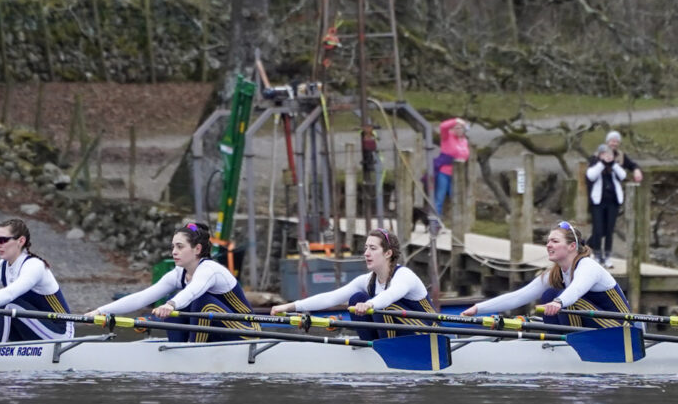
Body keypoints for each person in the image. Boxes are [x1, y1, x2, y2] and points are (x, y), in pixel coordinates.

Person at [87, 222, 259, 342]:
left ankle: (192, 352)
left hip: (245, 331)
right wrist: (100, 311)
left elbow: (192, 291)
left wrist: (170, 304)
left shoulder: (210, 270)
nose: (174, 252)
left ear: (197, 249)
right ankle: (177, 350)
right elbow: (142, 298)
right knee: (179, 306)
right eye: (173, 247)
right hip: (217, 331)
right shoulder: (178, 274)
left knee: (199, 301)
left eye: (180, 247)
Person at [271, 228, 437, 339]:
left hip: (430, 333)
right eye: (365, 248)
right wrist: (289, 307)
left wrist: (370, 304)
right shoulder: (367, 280)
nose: (366, 253)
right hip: (402, 334)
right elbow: (331, 298)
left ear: (388, 253)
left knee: (380, 305)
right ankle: (370, 349)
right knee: (356, 297)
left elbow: (389, 296)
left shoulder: (404, 276)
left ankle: (386, 351)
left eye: (372, 248)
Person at [460, 221, 632, 328]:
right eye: (548, 241)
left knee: (559, 297)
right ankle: (555, 345)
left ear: (572, 246)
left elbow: (576, 290)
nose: (548, 245)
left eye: (555, 241)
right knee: (549, 293)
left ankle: (567, 347)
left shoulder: (588, 266)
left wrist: (559, 302)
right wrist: (478, 309)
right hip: (595, 326)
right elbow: (519, 296)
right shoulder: (554, 273)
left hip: (620, 328)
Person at [585, 141, 627, 267]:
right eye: (604, 154)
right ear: (599, 155)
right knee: (598, 229)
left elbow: (623, 175)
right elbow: (591, 176)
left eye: (609, 154)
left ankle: (608, 256)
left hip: (612, 202)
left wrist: (613, 164)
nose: (607, 156)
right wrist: (602, 163)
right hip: (598, 202)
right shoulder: (595, 165)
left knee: (609, 230)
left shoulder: (614, 167)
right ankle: (597, 255)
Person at [433, 117, 471, 219]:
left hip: (457, 174)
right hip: (444, 173)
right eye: (456, 128)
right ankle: (436, 222)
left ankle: (458, 222)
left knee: (456, 198)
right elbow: (443, 126)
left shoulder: (464, 141)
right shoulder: (447, 137)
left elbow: (465, 155)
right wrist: (456, 120)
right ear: (452, 129)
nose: (459, 130)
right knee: (439, 197)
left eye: (461, 128)